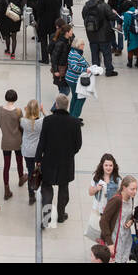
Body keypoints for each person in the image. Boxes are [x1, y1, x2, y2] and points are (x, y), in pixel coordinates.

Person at [37, 93, 83, 227]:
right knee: (63, 189)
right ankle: (61, 216)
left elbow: (42, 142)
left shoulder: (48, 120)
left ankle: (46, 219)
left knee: (47, 189)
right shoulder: (75, 122)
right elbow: (78, 144)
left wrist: (38, 158)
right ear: (67, 106)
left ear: (56, 105)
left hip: (49, 160)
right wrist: (69, 153)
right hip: (66, 162)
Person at [97, 175, 138, 262]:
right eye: (132, 189)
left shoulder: (130, 198)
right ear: (124, 187)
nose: (135, 192)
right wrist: (109, 242)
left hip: (125, 238)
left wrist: (131, 221)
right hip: (114, 239)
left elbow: (129, 214)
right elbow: (103, 221)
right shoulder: (116, 200)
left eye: (136, 189)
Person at [0, 89, 25, 200]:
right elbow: (22, 125)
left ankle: (6, 189)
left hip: (5, 140)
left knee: (6, 165)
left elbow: (0, 124)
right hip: (17, 140)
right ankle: (21, 178)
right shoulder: (18, 111)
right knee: (19, 161)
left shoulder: (0, 110)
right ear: (15, 98)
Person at [21, 98, 44, 207]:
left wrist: (26, 111)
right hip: (38, 150)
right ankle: (43, 191)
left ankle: (31, 195)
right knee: (41, 171)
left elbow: (24, 118)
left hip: (27, 150)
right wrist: (43, 111)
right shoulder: (41, 122)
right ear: (37, 110)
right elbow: (48, 118)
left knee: (30, 172)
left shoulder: (23, 121)